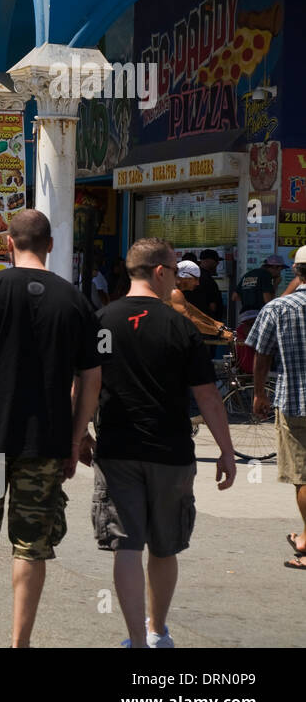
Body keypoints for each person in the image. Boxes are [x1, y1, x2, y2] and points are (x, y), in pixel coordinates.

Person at [0, 209, 101, 648]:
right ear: (50, 245)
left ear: (8, 244)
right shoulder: (75, 301)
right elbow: (91, 378)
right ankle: (20, 642)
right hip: (46, 442)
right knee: (31, 543)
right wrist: (75, 438)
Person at [88, 237, 237, 647]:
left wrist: (77, 434)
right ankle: (157, 633)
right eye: (174, 270)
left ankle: (135, 641)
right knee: (164, 546)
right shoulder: (179, 326)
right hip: (171, 452)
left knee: (127, 546)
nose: (176, 278)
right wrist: (226, 450)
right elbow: (207, 394)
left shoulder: (102, 320)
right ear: (158, 271)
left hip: (117, 450)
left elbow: (85, 384)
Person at [245, 244, 306, 570]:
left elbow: (261, 356)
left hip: (295, 399)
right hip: (295, 400)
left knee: (302, 475)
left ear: (296, 273)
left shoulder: (279, 308)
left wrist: (258, 394)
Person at [170, 261, 235, 342]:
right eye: (196, 279)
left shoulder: (175, 291)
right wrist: (219, 333)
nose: (197, 283)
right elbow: (188, 322)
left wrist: (213, 322)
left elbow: (190, 308)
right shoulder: (173, 293)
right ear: (185, 276)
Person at [191, 249, 226, 321]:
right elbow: (212, 305)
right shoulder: (206, 278)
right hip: (208, 320)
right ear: (208, 260)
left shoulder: (196, 275)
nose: (218, 263)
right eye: (216, 260)